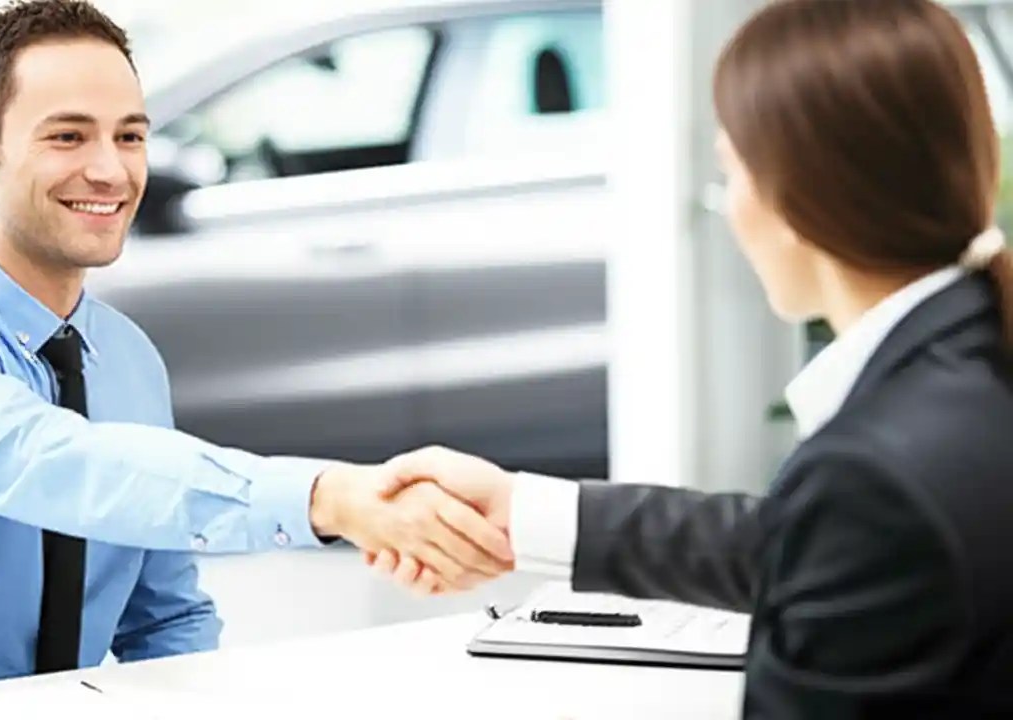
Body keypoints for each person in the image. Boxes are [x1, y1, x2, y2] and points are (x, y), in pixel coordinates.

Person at [0, 0, 511, 709]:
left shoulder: (123, 358)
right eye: (67, 136)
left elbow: (163, 617)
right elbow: (54, 462)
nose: (111, 170)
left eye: (129, 136)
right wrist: (327, 498)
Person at [373, 0, 1013, 715]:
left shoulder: (881, 471)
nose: (726, 204)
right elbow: (809, 547)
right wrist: (520, 511)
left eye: (732, 171)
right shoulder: (975, 367)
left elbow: (846, 532)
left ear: (795, 197)